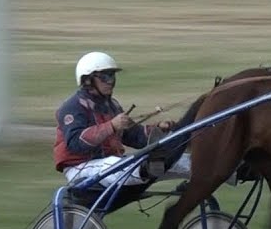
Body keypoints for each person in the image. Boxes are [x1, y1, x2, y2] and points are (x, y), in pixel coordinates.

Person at [52, 51, 191, 187]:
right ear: (88, 80)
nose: (110, 82)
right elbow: (75, 143)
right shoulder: (72, 107)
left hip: (111, 165)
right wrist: (111, 126)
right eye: (105, 77)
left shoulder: (112, 106)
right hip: (80, 167)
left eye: (112, 76)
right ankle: (146, 167)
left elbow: (135, 137)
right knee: (125, 163)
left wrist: (159, 129)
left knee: (185, 161)